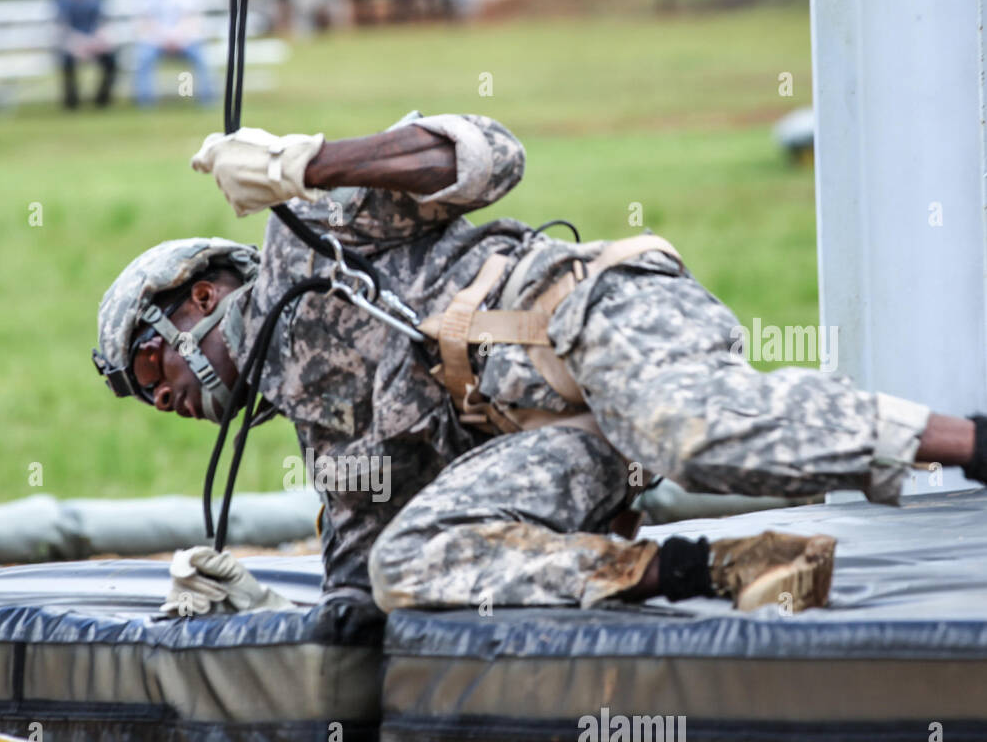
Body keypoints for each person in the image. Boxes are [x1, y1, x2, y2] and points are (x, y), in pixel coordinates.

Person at [93, 113, 987, 616]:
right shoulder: (331, 451)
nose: (159, 397)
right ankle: (711, 567)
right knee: (403, 565)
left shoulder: (305, 241)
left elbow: (487, 155)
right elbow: (362, 606)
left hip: (594, 318)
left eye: (148, 364)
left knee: (695, 437)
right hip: (566, 441)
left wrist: (309, 164)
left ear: (200, 296)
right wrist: (251, 619)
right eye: (142, 396)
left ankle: (971, 443)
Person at [133, 0, 211, 108]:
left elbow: (192, 17)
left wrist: (178, 36)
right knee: (143, 57)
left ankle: (206, 100)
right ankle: (145, 102)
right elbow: (143, 20)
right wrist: (163, 37)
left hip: (185, 39)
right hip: (154, 41)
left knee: (201, 57)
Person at [55, 0, 117, 110]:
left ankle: (102, 100)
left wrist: (96, 41)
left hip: (94, 43)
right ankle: (72, 102)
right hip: (72, 44)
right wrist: (78, 43)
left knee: (112, 60)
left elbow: (103, 23)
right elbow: (62, 27)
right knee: (66, 60)